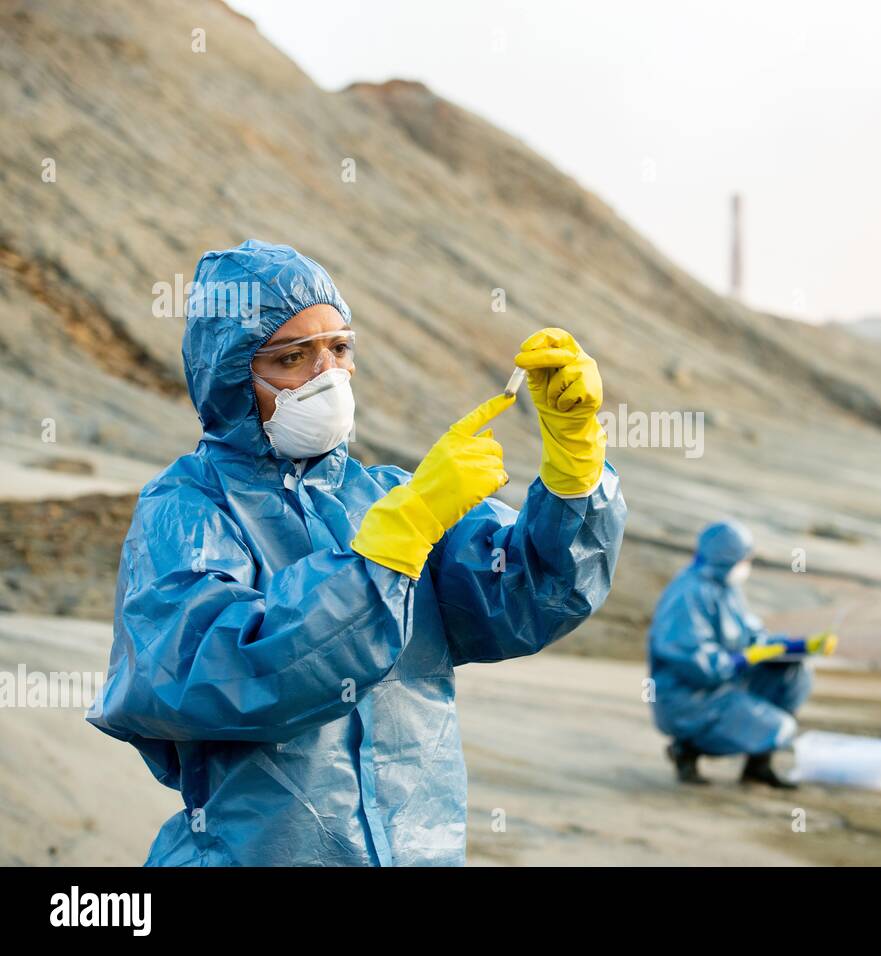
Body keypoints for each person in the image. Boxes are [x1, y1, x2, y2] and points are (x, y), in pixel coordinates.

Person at [88, 239, 625, 866]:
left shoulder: (388, 497)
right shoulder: (189, 508)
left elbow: (535, 597)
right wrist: (388, 553)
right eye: (293, 357)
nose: (327, 376)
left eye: (339, 349)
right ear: (231, 376)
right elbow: (221, 675)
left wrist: (573, 470)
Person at [646, 520, 836, 788]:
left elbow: (750, 636)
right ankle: (688, 748)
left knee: (794, 672)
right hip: (689, 698)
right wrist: (741, 659)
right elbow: (696, 663)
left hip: (724, 682)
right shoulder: (687, 595)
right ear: (728, 557)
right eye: (745, 558)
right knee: (777, 728)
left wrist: (795, 647)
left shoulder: (725, 587)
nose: (747, 564)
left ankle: (758, 766)